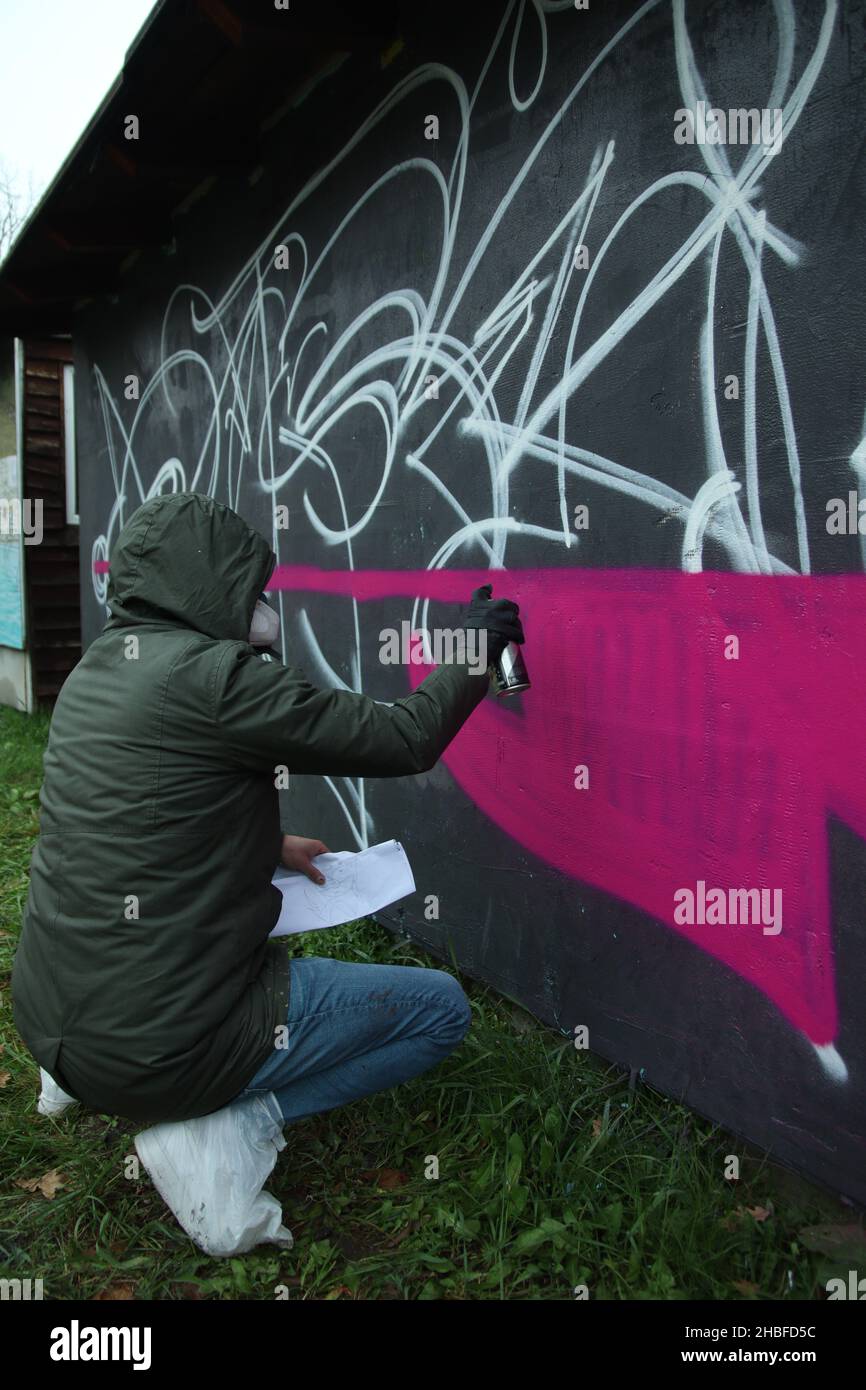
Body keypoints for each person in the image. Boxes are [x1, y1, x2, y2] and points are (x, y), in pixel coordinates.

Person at [11, 491, 525, 1255]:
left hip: (50, 1018)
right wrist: (473, 654)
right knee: (440, 1009)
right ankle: (232, 1124)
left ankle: (98, 1075)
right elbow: (400, 739)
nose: (265, 601)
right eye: (252, 583)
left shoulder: (98, 670)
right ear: (211, 584)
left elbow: (137, 818)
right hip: (160, 1045)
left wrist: (268, 845)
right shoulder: (217, 677)